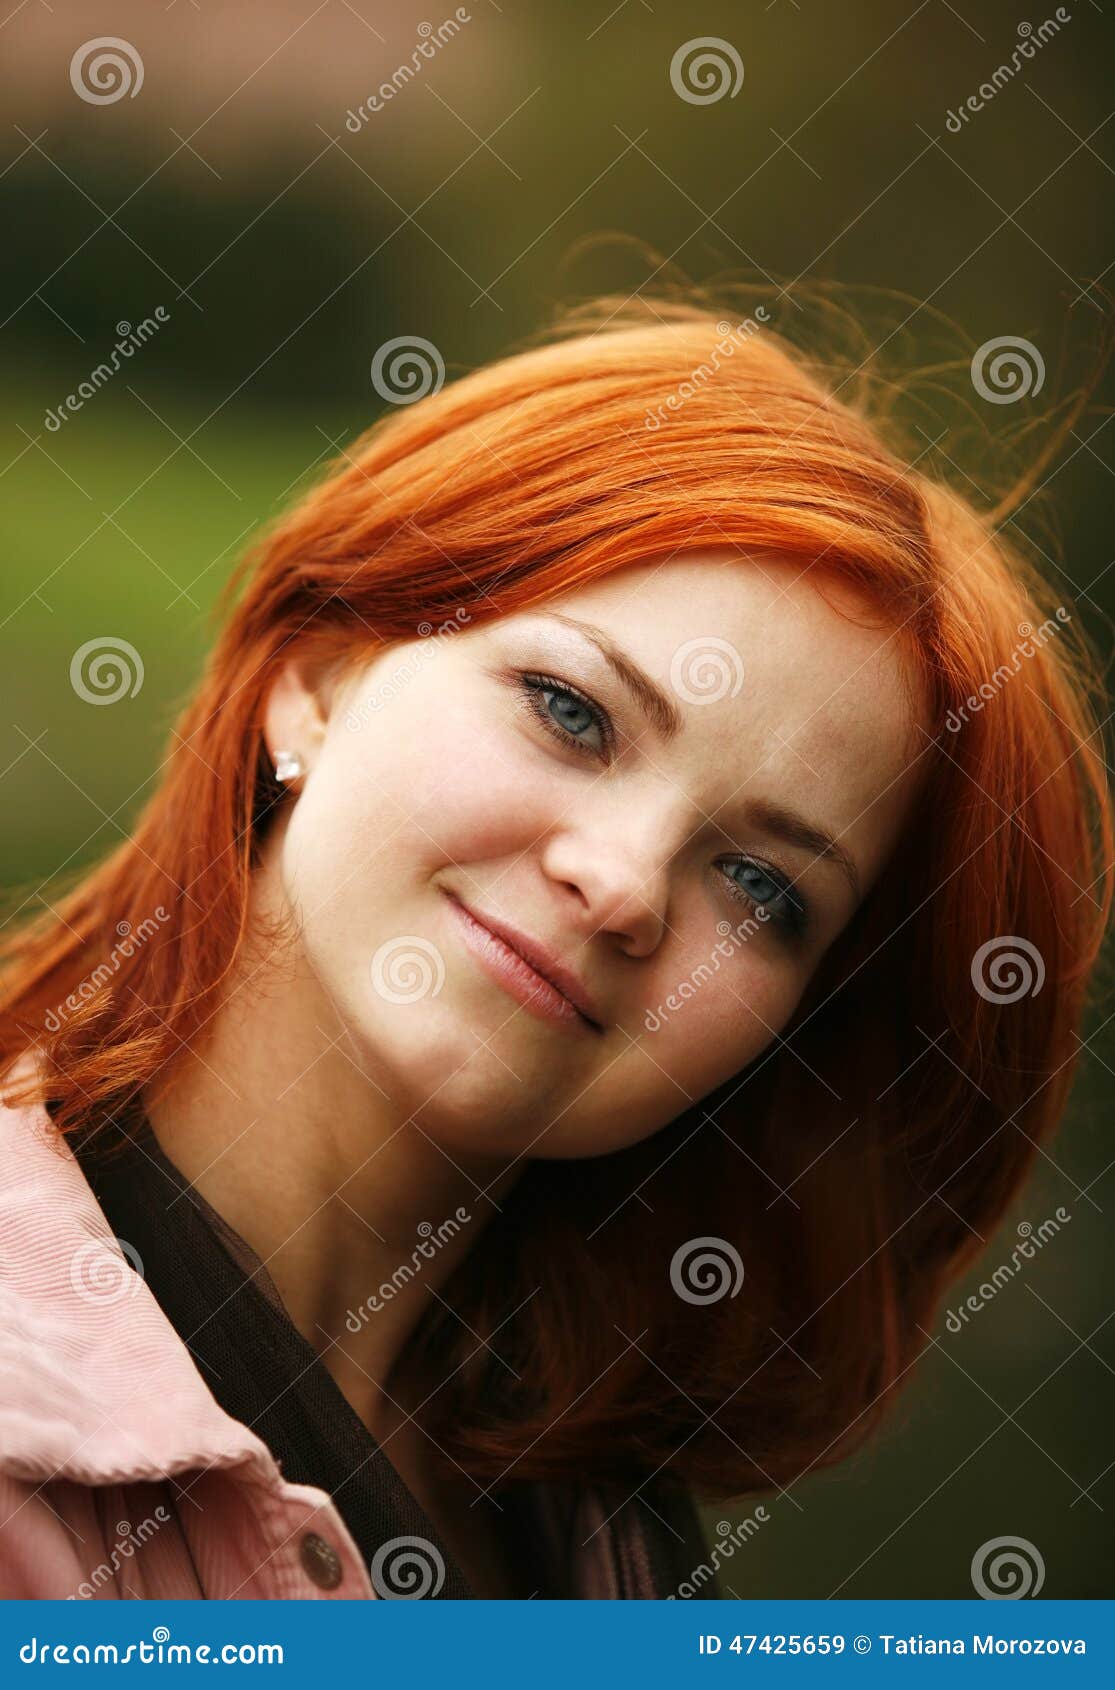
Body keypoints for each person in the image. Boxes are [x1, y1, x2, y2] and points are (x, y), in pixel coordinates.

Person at [0, 294, 1110, 1600]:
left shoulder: (605, 1533)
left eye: (759, 881)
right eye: (572, 711)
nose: (626, 883)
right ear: (318, 669)